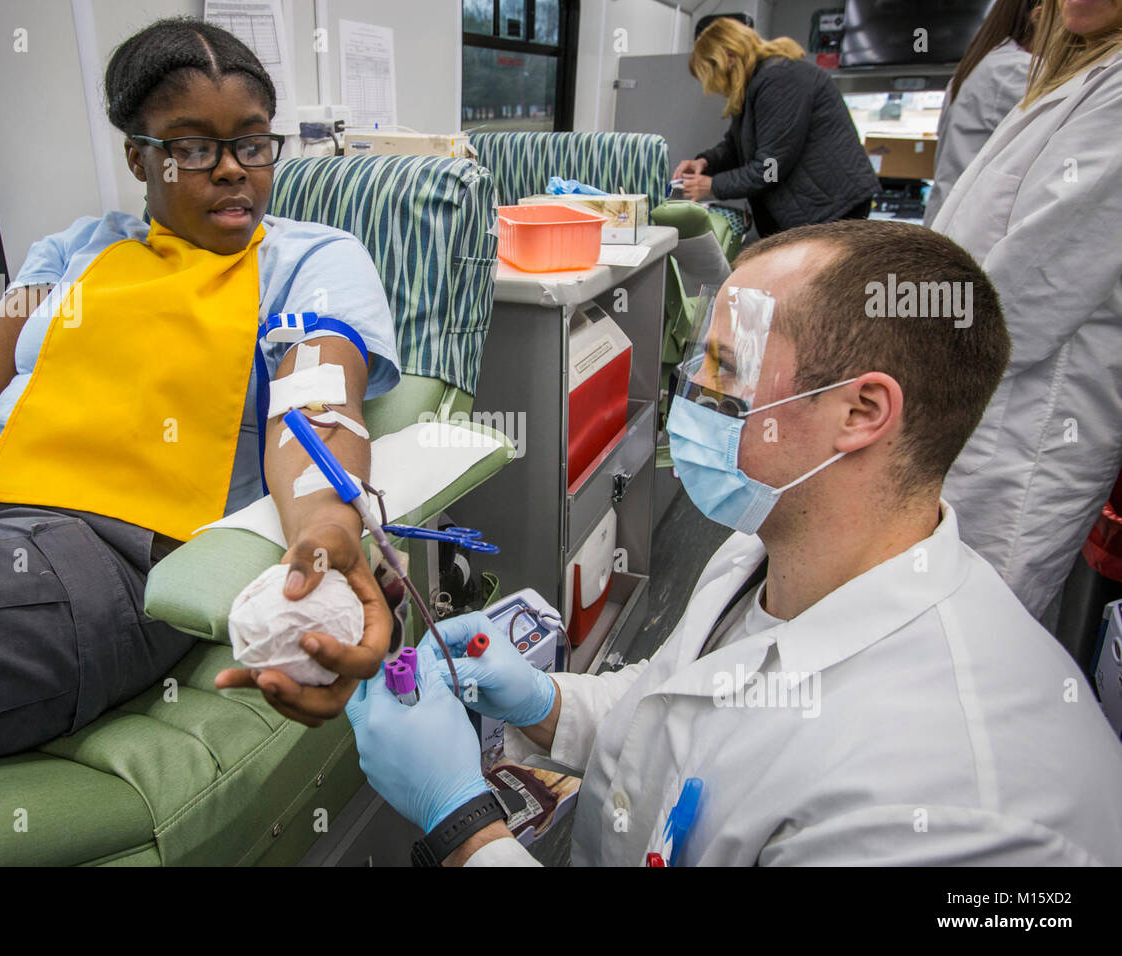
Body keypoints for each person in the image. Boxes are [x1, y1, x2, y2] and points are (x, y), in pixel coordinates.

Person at [347, 220, 1122, 866]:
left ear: (860, 412)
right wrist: (545, 702)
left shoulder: (948, 807)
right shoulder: (768, 546)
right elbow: (678, 704)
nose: (688, 393)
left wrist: (463, 827)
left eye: (722, 368)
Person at [0, 17, 399, 778]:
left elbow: (316, 405)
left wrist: (327, 524)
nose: (232, 170)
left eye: (252, 145)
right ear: (139, 156)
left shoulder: (311, 258)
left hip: (97, 552)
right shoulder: (74, 250)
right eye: (192, 147)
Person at [931, 0, 1122, 621]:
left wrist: (904, 335)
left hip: (1028, 424)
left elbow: (1028, 290)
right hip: (978, 389)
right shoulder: (1074, 78)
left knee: (975, 623)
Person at [672, 18, 880, 238]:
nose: (716, 87)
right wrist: (704, 163)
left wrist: (712, 185)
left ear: (729, 57)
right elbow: (735, 145)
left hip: (830, 208)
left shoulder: (780, 79)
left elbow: (770, 170)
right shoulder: (757, 82)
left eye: (713, 76)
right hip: (812, 205)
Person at [922, 0, 1038, 227]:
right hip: (972, 221)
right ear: (1039, 16)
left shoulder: (980, 63)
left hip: (950, 213)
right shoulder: (1017, 69)